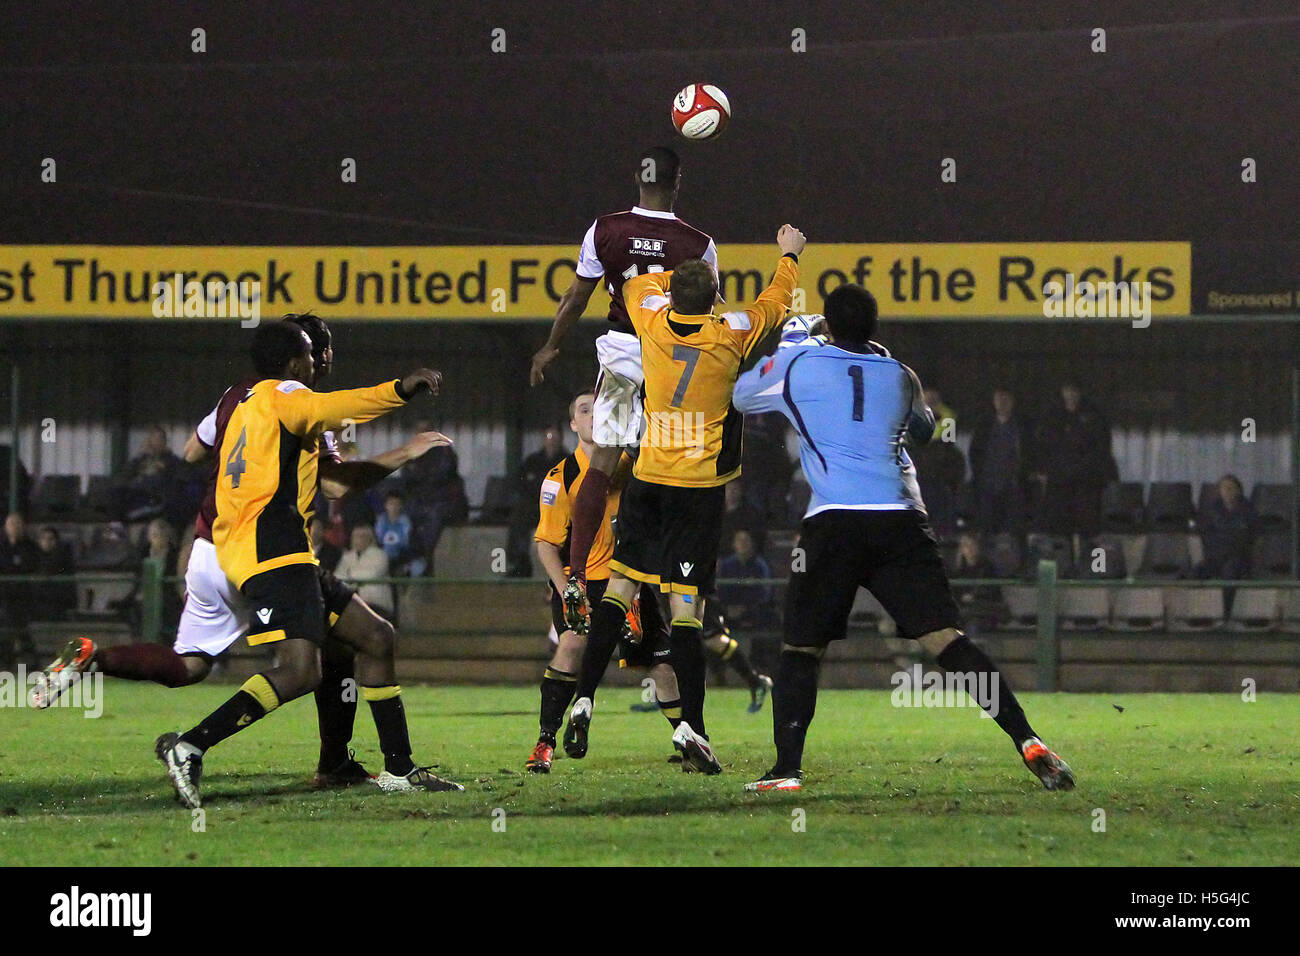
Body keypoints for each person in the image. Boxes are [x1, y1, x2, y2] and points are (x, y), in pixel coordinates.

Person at [733, 286, 1074, 793]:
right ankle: (1027, 738)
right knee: (946, 641)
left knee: (801, 649)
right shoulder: (899, 373)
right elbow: (923, 430)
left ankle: (787, 770)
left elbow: (741, 394)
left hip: (834, 522)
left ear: (826, 323)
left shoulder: (799, 362)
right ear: (875, 328)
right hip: (900, 518)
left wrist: (791, 341)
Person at [565, 224, 804, 775]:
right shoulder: (732, 332)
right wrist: (788, 255)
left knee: (620, 588)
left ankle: (584, 700)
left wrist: (667, 273)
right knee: (686, 610)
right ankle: (693, 729)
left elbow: (635, 282)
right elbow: (775, 301)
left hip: (647, 479)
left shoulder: (650, 318)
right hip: (696, 491)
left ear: (674, 296)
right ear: (715, 297)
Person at [528, 145, 718, 633]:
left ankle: (575, 577)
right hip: (670, 360)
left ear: (637, 176)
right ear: (678, 181)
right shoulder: (698, 243)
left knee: (602, 467)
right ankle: (678, 591)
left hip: (620, 354)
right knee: (674, 473)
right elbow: (710, 314)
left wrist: (550, 347)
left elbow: (575, 297)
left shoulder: (605, 229)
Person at [526, 391, 681, 773]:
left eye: (601, 408)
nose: (594, 415)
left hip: (629, 580)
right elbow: (546, 544)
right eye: (584, 410)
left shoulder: (635, 464)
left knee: (662, 667)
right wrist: (568, 591)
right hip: (583, 583)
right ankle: (545, 743)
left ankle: (687, 736)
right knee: (570, 646)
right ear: (573, 424)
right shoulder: (559, 477)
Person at [1033, 383, 1114, 535]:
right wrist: (1043, 471)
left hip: (1087, 481)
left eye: (1074, 391)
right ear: (1063, 393)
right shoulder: (1052, 416)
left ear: (1080, 393)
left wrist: (1097, 472)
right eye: (1067, 391)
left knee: (1089, 531)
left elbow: (1102, 448)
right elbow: (1043, 447)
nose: (1071, 395)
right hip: (1059, 481)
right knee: (1059, 530)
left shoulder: (1094, 416)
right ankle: (1063, 559)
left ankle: (1092, 559)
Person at [967, 387, 1035, 535]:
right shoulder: (985, 426)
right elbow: (975, 453)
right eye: (999, 399)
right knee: (988, 528)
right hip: (988, 485)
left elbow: (1029, 454)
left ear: (1013, 402)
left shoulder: (1022, 427)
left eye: (1006, 399)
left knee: (1012, 531)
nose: (1002, 403)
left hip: (1013, 487)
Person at [506, 426, 565, 577]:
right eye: (549, 438)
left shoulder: (567, 461)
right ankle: (520, 562)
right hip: (534, 505)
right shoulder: (533, 460)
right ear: (544, 440)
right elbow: (519, 481)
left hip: (557, 508)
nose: (551, 442)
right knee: (519, 516)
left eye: (555, 438)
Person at [117, 425, 185, 523]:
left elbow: (174, 480)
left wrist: (163, 468)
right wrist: (139, 457)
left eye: (158, 439)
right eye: (152, 439)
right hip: (137, 496)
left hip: (157, 499)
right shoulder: (140, 460)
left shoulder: (172, 461)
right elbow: (125, 475)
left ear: (164, 442)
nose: (154, 443)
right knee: (118, 492)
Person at [0, 512, 38, 666]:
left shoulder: (29, 546)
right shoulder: (2, 546)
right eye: (11, 524)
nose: (14, 528)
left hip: (21, 597)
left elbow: (30, 566)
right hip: (3, 595)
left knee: (18, 628)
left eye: (17, 524)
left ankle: (27, 662)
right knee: (10, 628)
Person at [717, 528, 774, 629]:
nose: (743, 543)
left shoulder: (760, 565)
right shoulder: (726, 564)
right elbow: (721, 589)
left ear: (752, 543)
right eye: (739, 540)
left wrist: (745, 608)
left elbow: (766, 593)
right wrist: (729, 607)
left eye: (746, 540)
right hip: (729, 609)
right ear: (733, 544)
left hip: (753, 610)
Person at [337, 525, 393, 619]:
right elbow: (338, 577)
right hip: (353, 604)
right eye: (356, 536)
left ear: (370, 539)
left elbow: (372, 575)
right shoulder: (347, 557)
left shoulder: (380, 555)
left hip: (376, 603)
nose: (359, 539)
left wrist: (350, 575)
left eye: (362, 536)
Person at [374, 491, 424, 576]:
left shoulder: (405, 521)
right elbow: (379, 539)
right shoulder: (381, 520)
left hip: (401, 553)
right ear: (386, 505)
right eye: (391, 504)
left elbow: (405, 540)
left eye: (397, 504)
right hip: (385, 553)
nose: (394, 507)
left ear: (401, 506)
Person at [33, 526, 77, 621]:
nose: (47, 542)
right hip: (38, 604)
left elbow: (70, 585)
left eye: (51, 539)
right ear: (39, 541)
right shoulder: (33, 558)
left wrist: (72, 606)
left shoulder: (64, 560)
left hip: (58, 604)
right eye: (43, 538)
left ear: (56, 541)